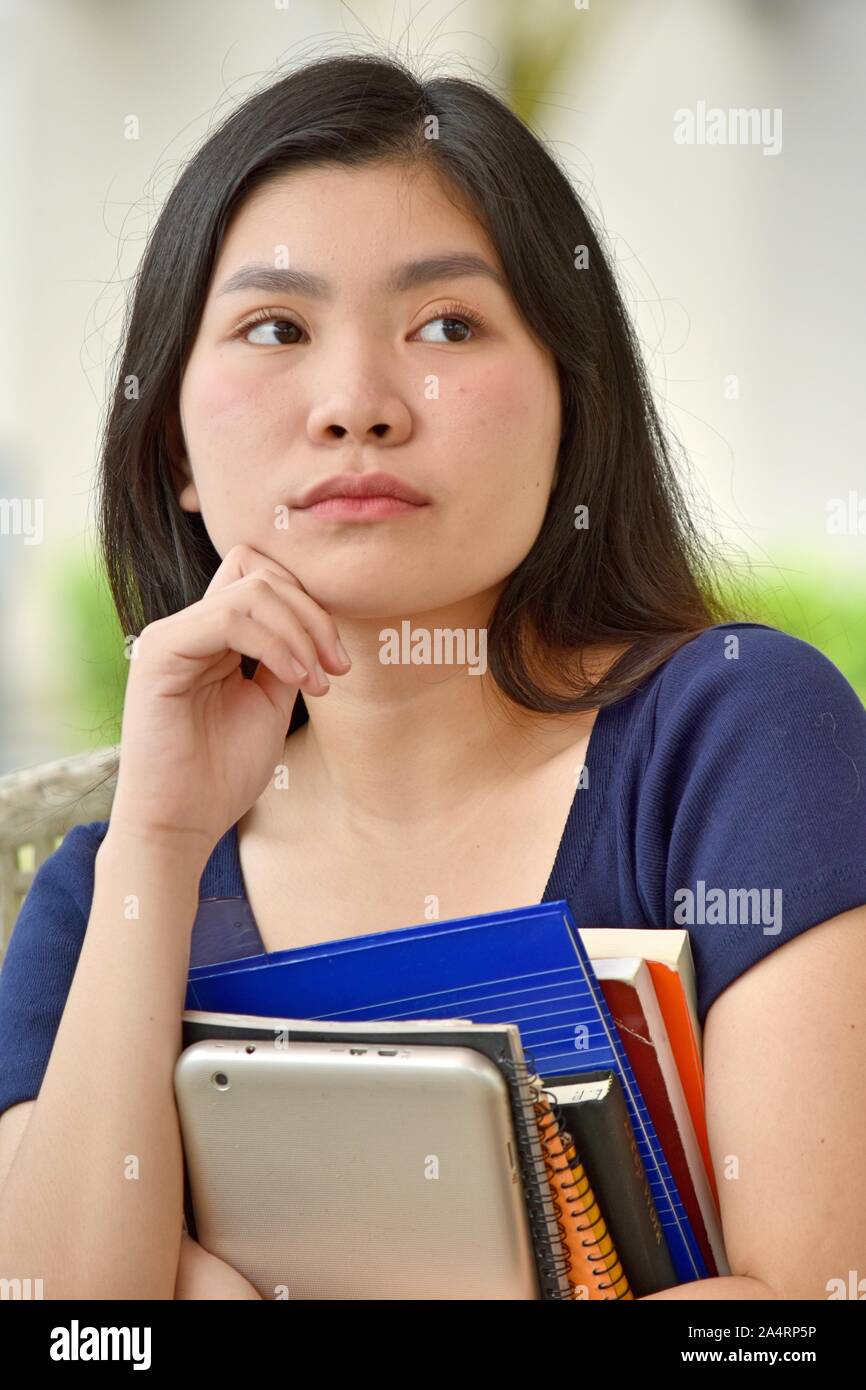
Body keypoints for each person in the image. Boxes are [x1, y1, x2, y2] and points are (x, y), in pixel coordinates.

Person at [1, 53, 864, 1302]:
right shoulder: (105, 893)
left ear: (573, 402)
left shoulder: (738, 737)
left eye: (447, 326)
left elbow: (799, 1319)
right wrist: (161, 840)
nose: (356, 404)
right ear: (173, 445)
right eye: (275, 329)